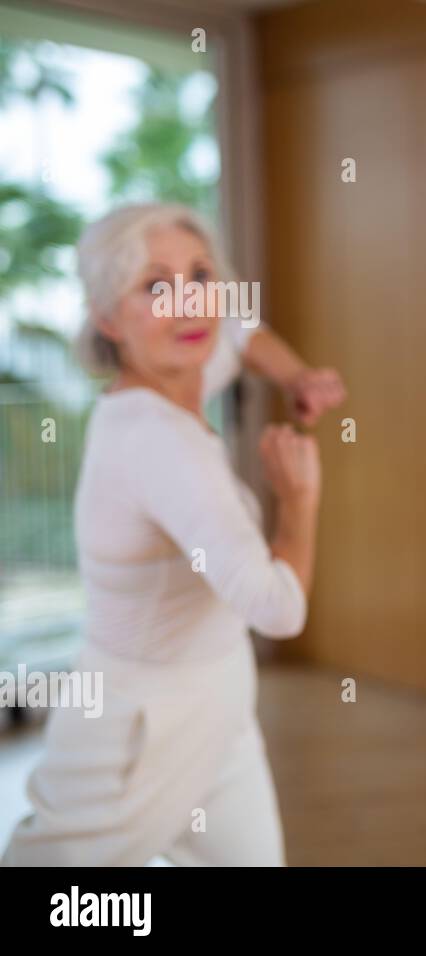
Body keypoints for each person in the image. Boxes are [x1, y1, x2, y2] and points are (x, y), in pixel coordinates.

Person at [2, 204, 322, 865]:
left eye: (200, 275)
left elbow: (241, 335)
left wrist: (296, 377)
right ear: (107, 318)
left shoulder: (181, 369)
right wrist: (299, 500)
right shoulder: (161, 442)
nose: (189, 301)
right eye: (155, 284)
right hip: (137, 732)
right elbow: (278, 607)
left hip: (220, 712)